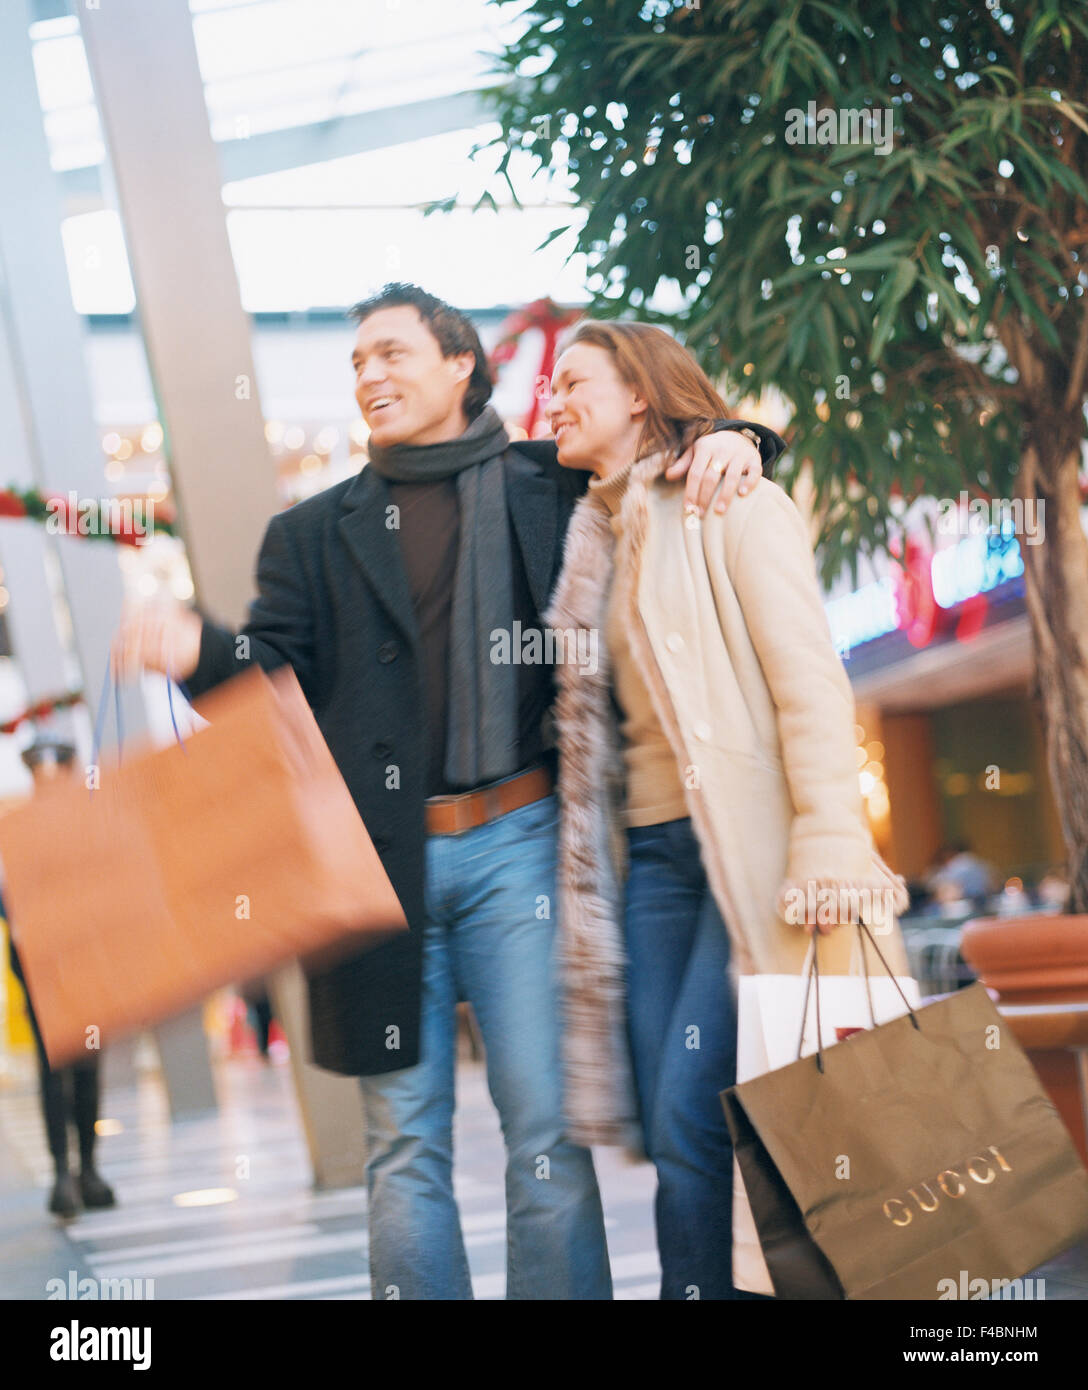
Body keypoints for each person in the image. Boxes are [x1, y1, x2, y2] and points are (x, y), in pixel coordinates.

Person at [112, 284, 783, 1300]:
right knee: (403, 1141)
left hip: (520, 839)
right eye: (356, 365)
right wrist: (197, 646)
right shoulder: (312, 534)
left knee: (543, 1130)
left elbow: (656, 455)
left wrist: (739, 436)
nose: (369, 376)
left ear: (459, 364)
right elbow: (267, 670)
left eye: (391, 354)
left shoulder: (548, 484)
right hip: (374, 866)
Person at [544, 320, 911, 1300]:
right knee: (686, 1131)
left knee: (690, 1112)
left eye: (572, 379)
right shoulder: (587, 529)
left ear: (636, 392)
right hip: (653, 864)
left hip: (749, 856)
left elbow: (809, 682)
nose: (551, 398)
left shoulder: (731, 502)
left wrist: (830, 836)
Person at [3, 738, 116, 1220]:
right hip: (41, 964)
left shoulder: (88, 825)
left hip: (88, 960)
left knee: (88, 1065)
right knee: (56, 1069)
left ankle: (88, 1168)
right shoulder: (16, 828)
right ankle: (62, 1175)